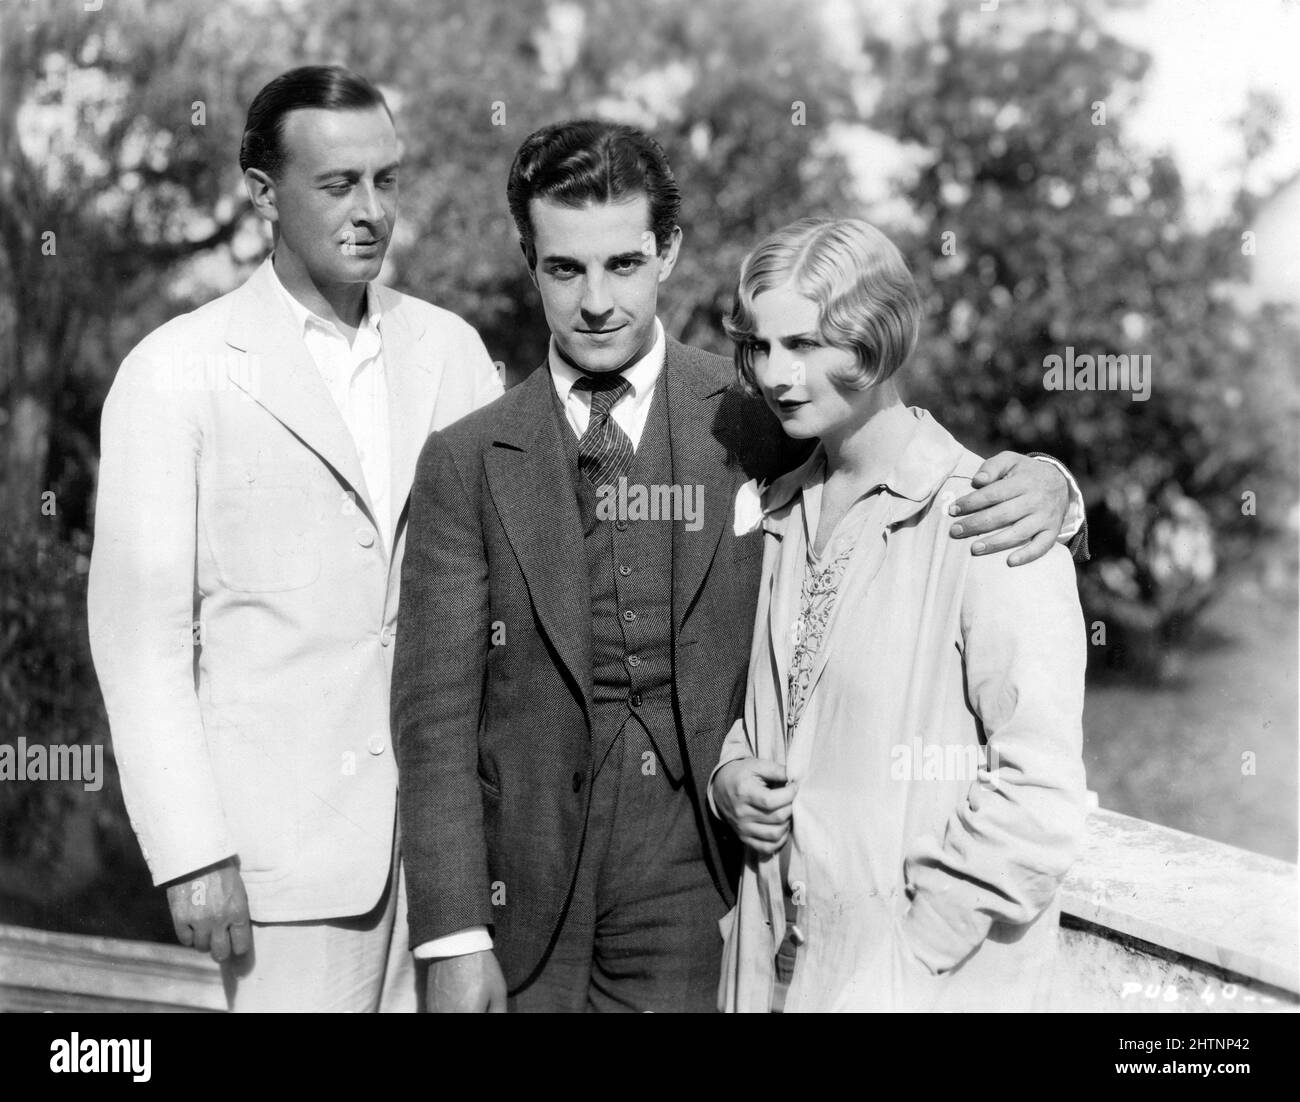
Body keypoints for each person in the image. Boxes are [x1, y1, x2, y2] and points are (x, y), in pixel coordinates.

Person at [393, 120, 1084, 1013]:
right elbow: (435, 721)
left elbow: (904, 453)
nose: (597, 300)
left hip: (702, 901)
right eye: (565, 268)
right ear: (530, 261)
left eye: (625, 264)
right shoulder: (465, 458)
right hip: (522, 902)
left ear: (669, 251)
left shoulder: (758, 412)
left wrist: (1055, 492)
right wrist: (452, 932)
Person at [86, 65, 503, 1012]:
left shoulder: (455, 355)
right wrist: (194, 852)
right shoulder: (174, 371)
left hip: (447, 866)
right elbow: (141, 641)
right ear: (265, 195)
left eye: (385, 180)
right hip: (278, 874)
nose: (371, 211)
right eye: (337, 184)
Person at [711, 217, 1088, 1012]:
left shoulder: (989, 518)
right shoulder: (776, 510)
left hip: (922, 985)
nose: (775, 375)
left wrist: (907, 969)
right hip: (775, 971)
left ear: (875, 340)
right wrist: (731, 775)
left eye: (807, 345)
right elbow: (774, 707)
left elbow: (1038, 793)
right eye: (759, 346)